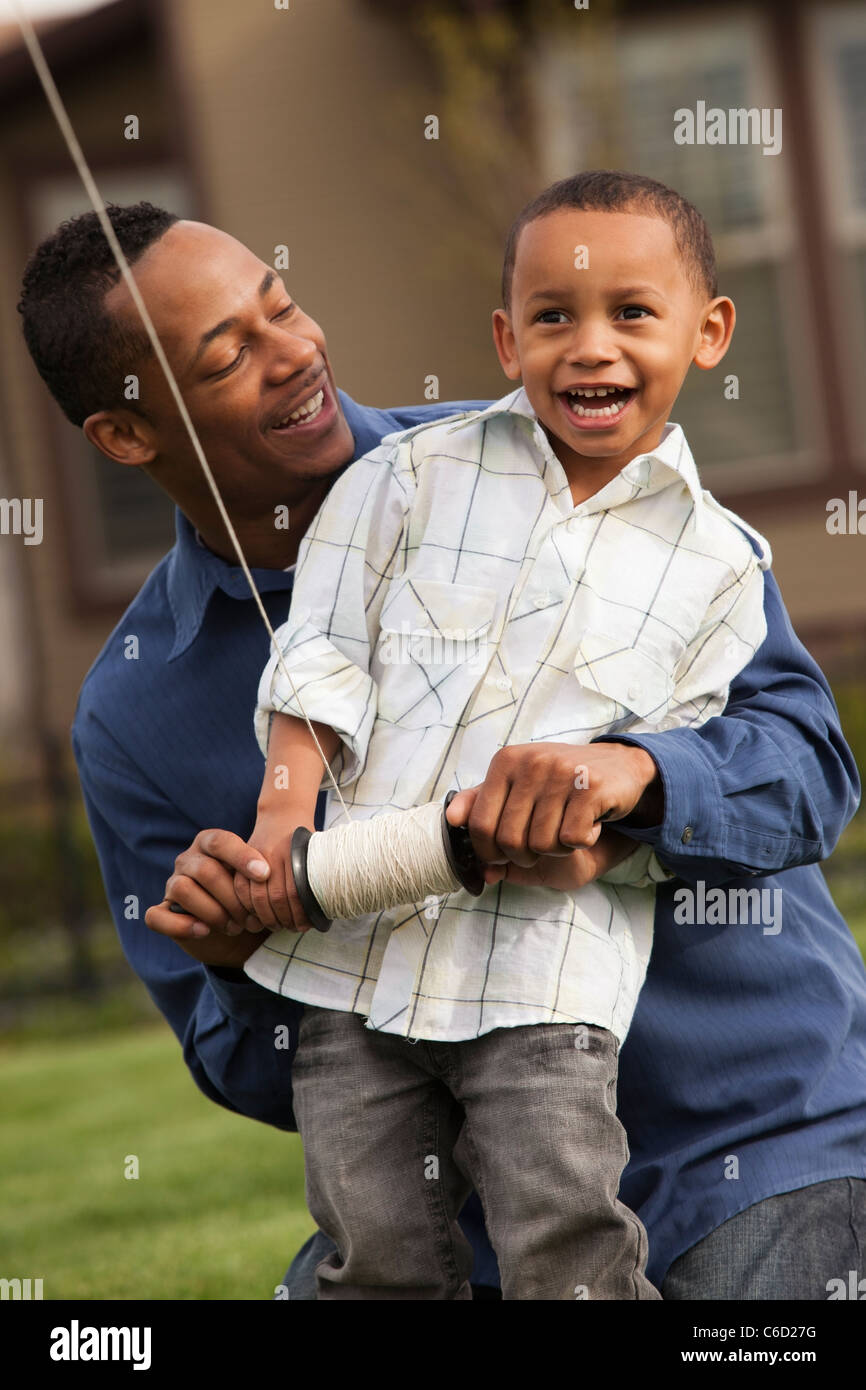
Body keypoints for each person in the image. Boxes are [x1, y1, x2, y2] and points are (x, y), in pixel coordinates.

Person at [16, 189, 865, 1300]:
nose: (297, 353)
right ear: (128, 434)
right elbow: (248, 1069)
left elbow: (810, 770)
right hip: (466, 1229)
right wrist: (241, 958)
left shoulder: (573, 458)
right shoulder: (137, 715)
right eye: (230, 351)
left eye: (283, 306)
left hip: (749, 1143)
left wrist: (640, 778)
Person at [227, 171, 770, 1300]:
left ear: (707, 331)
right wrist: (284, 817)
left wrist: (602, 846)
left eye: (632, 312)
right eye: (552, 318)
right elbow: (317, 655)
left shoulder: (721, 567)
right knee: (372, 1247)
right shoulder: (404, 481)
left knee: (560, 1229)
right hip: (353, 959)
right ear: (504, 335)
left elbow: (675, 763)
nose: (589, 348)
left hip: (544, 975)